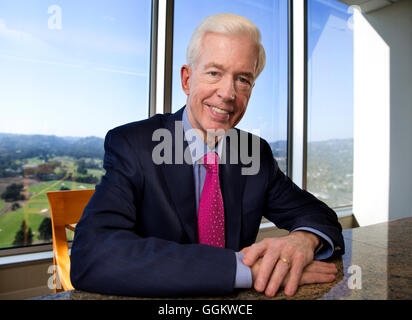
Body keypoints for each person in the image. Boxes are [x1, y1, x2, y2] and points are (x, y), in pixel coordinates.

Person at [70, 13, 344, 298]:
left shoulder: (254, 154)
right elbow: (93, 255)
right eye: (214, 73)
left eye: (243, 79)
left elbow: (319, 215)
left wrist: (303, 240)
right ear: (187, 80)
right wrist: (242, 270)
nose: (227, 93)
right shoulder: (133, 145)